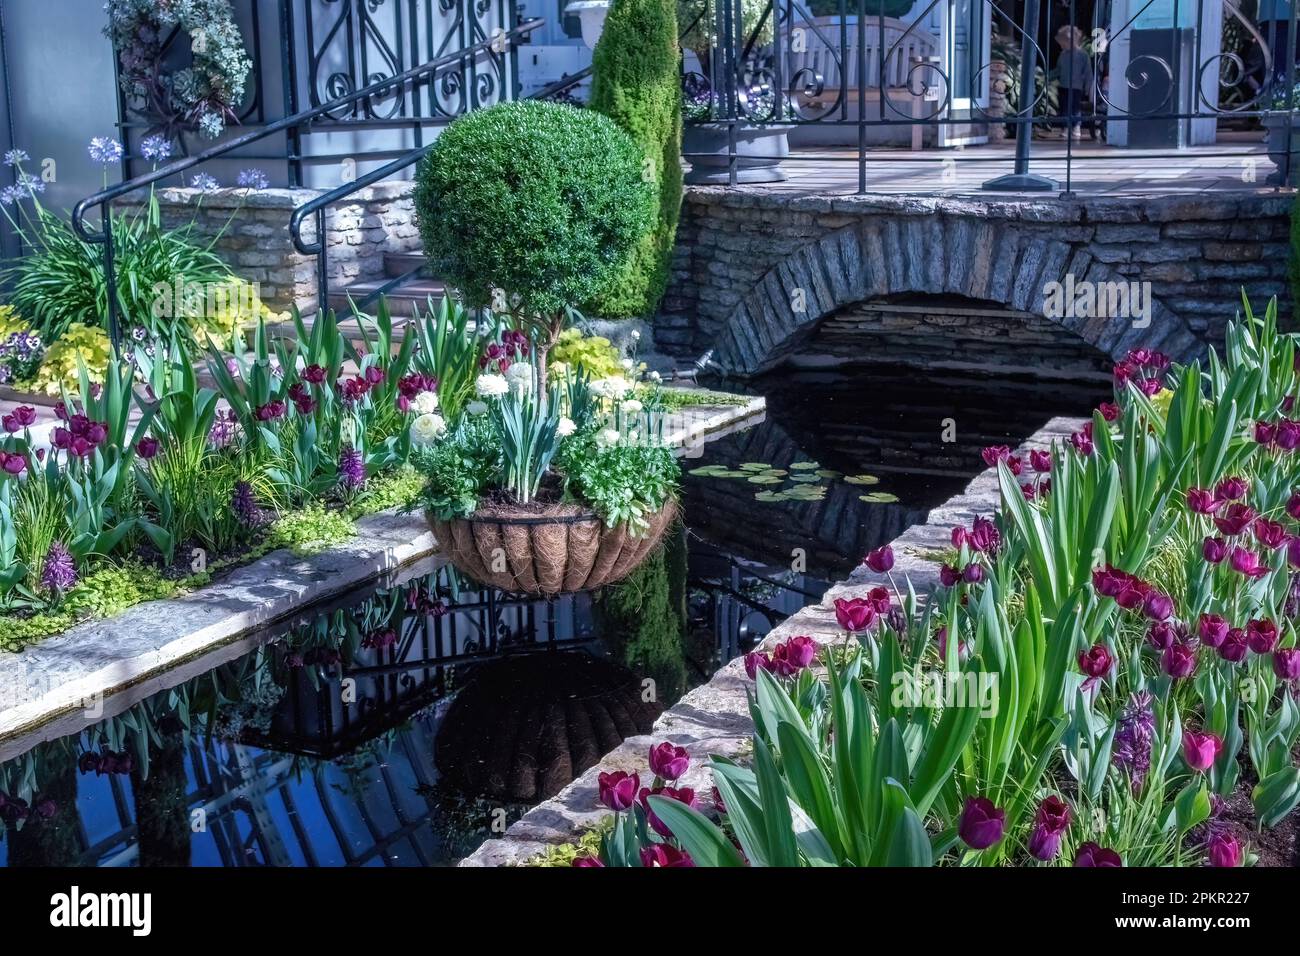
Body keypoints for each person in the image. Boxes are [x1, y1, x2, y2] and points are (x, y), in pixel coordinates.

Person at [1054, 25, 1094, 141]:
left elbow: (1088, 72)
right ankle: (1065, 128)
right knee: (1064, 108)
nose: (1061, 46)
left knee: (1075, 108)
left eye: (1063, 43)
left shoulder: (1082, 55)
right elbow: (1058, 69)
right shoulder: (1063, 55)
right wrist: (1048, 76)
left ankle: (1076, 127)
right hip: (1063, 85)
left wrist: (1088, 87)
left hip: (1076, 87)